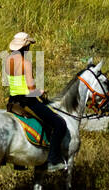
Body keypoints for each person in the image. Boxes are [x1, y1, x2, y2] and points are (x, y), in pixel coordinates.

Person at [5, 31, 67, 171]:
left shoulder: (8, 60)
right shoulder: (25, 63)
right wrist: (41, 92)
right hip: (27, 101)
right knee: (59, 124)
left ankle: (19, 162)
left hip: (12, 102)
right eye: (28, 46)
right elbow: (31, 88)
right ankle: (53, 160)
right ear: (25, 47)